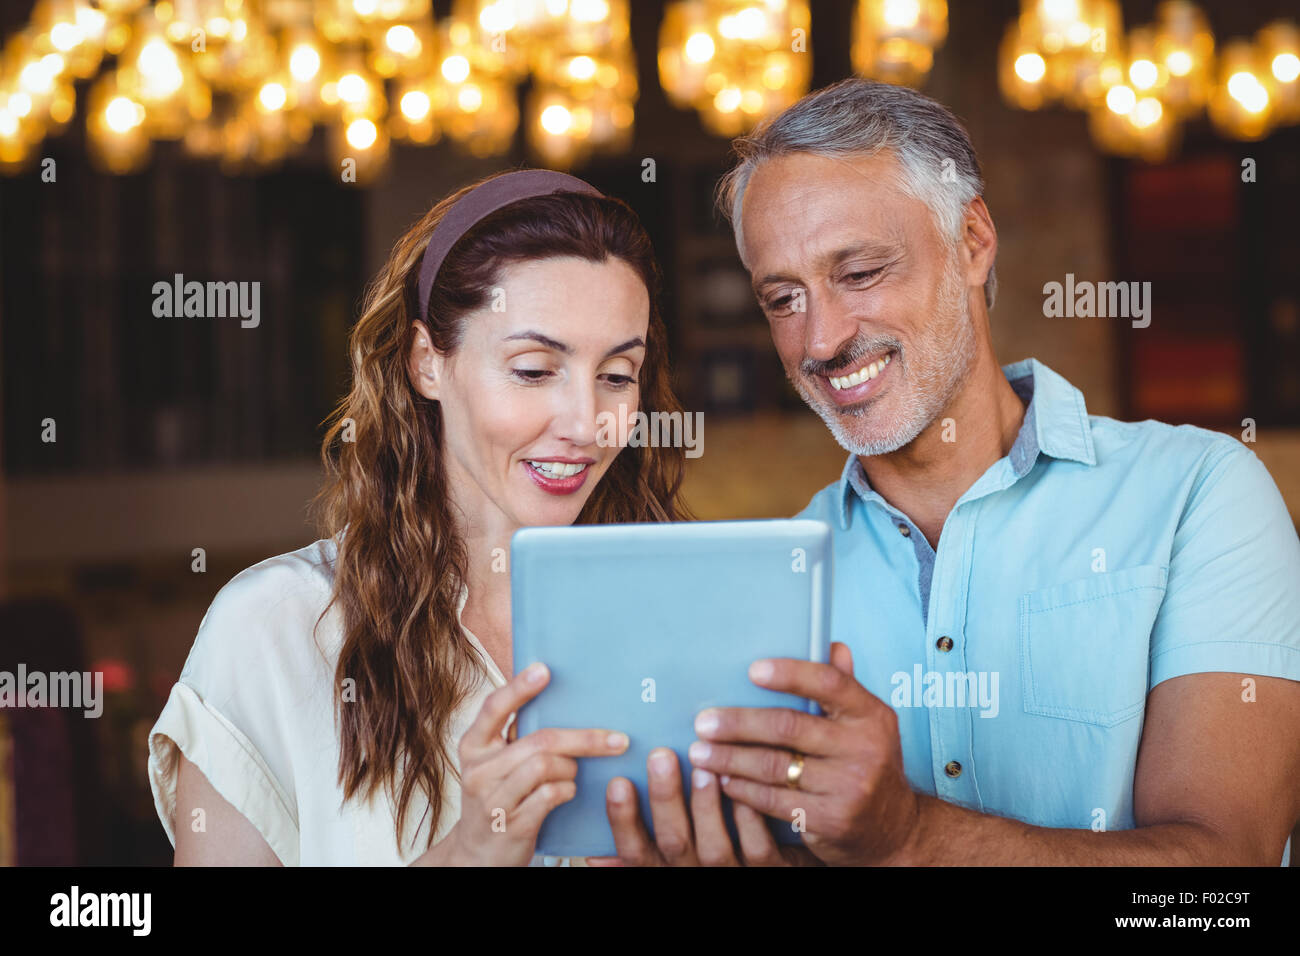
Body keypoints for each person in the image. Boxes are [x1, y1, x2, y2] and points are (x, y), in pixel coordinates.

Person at [621, 77, 1300, 866]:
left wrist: (908, 837)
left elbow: (1219, 884)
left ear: (974, 241)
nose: (820, 340)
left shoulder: (1199, 494)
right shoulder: (772, 577)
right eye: (783, 297)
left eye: (861, 273)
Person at [147, 168, 773, 866]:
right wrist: (470, 853)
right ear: (426, 363)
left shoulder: (691, 613)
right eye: (535, 370)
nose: (586, 423)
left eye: (617, 376)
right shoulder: (273, 630)